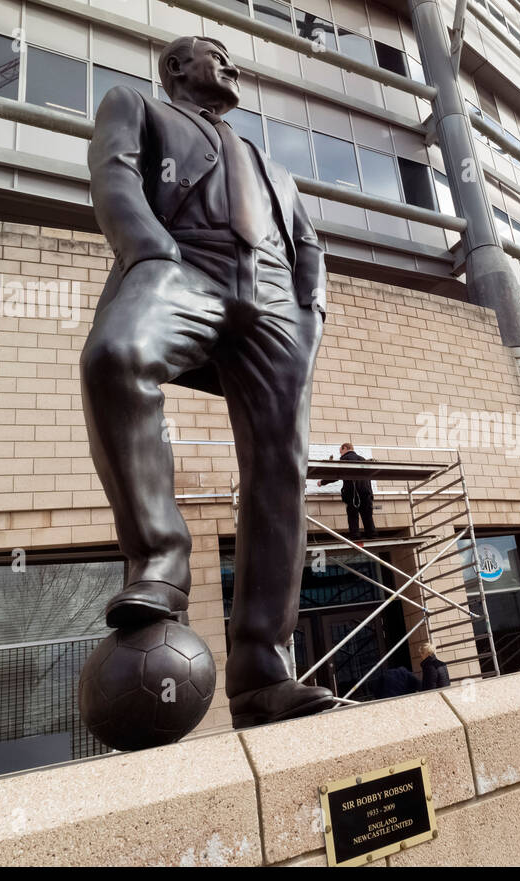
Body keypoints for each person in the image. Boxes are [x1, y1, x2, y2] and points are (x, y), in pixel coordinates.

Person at [80, 35, 334, 727]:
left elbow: (310, 246)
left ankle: (263, 672)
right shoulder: (135, 104)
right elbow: (114, 176)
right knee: (116, 357)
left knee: (282, 466)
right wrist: (151, 252)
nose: (232, 66)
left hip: (277, 304)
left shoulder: (273, 168)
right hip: (185, 268)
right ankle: (160, 563)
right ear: (175, 68)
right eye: (216, 55)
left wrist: (309, 314)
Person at [318, 442, 377, 538]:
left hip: (352, 493)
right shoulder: (363, 459)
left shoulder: (344, 459)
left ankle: (355, 536)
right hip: (366, 493)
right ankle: (372, 535)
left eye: (340, 452)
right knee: (367, 516)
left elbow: (336, 475)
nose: (340, 454)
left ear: (345, 448)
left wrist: (322, 482)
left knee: (353, 516)